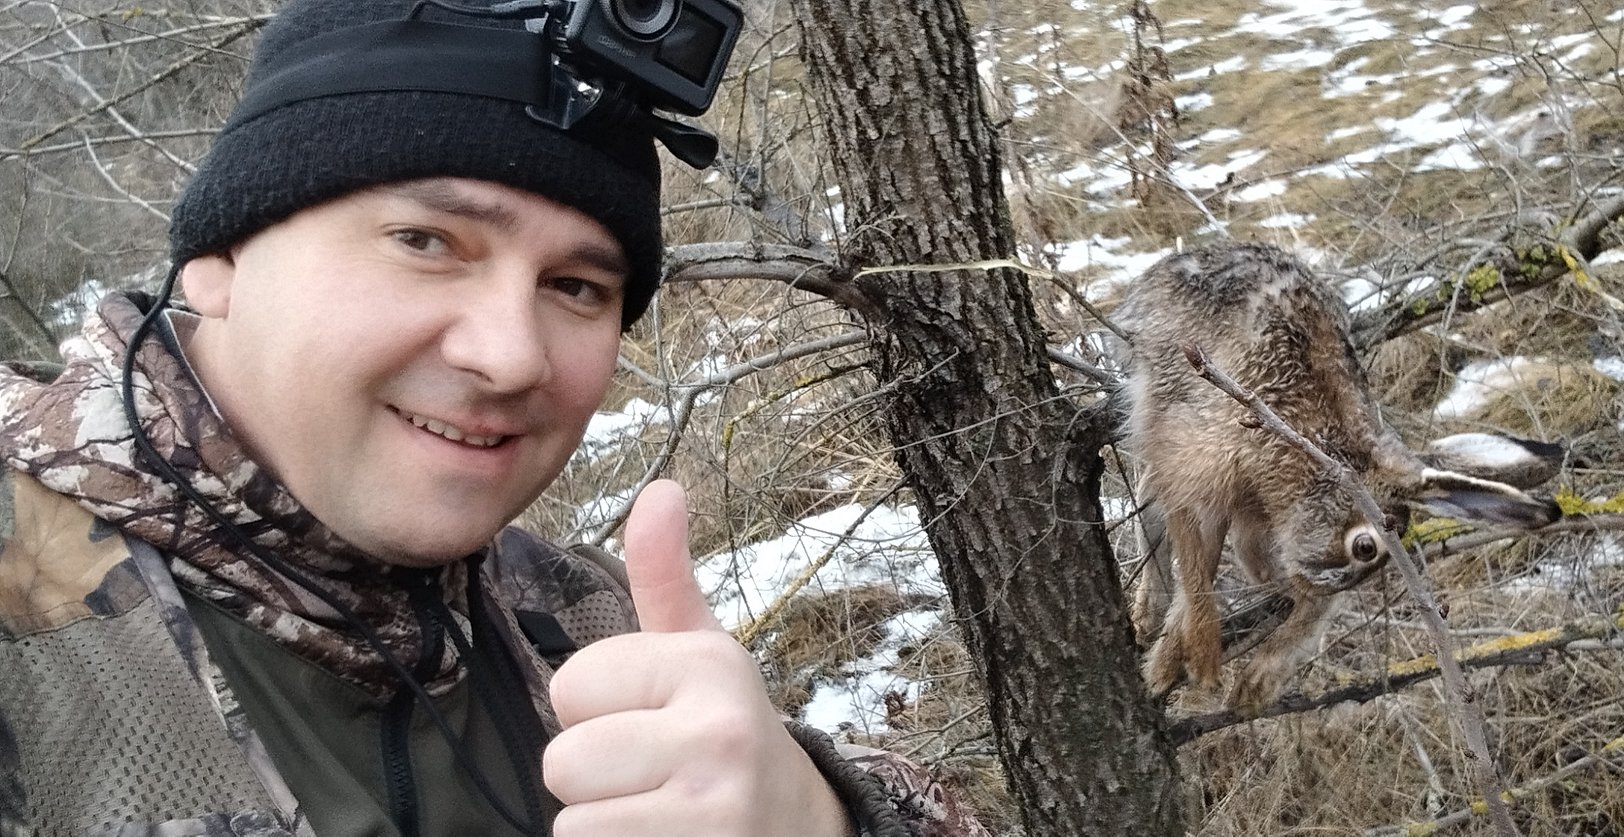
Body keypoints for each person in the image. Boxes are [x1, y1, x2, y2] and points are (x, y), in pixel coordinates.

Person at [0, 1, 989, 835]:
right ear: (218, 259)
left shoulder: (584, 617)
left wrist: (828, 817)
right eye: (425, 240)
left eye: (576, 286)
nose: (512, 356)